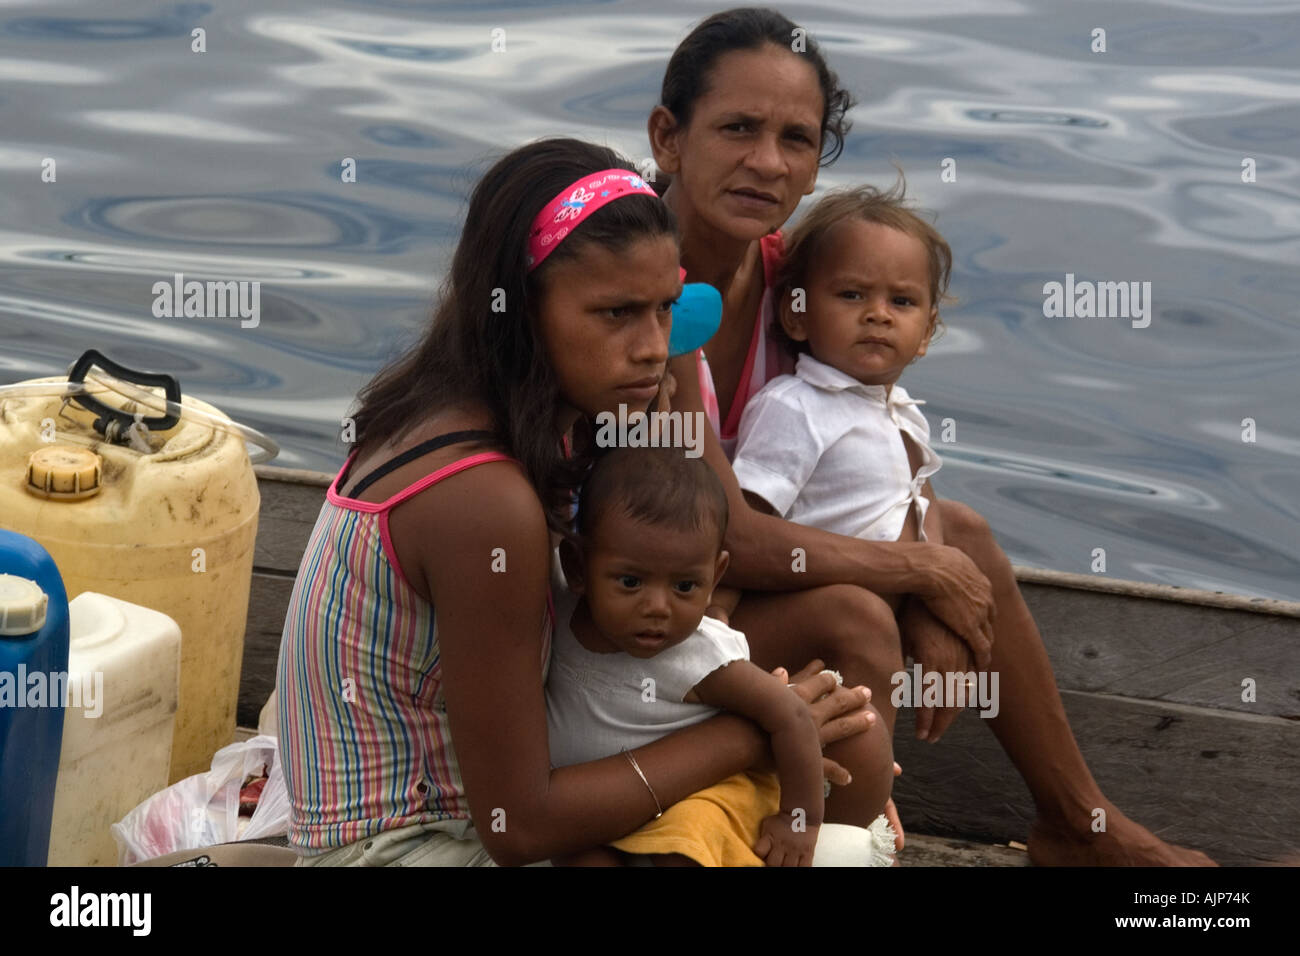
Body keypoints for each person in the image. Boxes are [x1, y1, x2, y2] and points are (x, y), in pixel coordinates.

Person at [650, 6, 1214, 864]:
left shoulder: (790, 282)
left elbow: (872, 475)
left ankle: (1076, 820)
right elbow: (727, 534)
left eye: (796, 139)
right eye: (737, 128)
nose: (767, 161)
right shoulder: (640, 289)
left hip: (730, 584)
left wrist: (937, 583)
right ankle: (848, 800)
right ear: (668, 137)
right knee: (874, 598)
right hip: (637, 603)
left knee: (969, 535)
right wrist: (917, 572)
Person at [274, 136, 879, 867]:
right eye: (616, 315)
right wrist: (754, 735)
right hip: (405, 846)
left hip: (478, 807)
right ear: (521, 312)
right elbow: (517, 826)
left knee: (848, 758)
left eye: (664, 310)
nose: (654, 348)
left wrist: (776, 720)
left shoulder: (485, 418)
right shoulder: (483, 501)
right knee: (846, 852)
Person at [546, 445, 898, 866]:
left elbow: (794, 716)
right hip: (602, 808)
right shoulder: (558, 616)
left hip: (695, 796)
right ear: (577, 568)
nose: (658, 607)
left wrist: (798, 820)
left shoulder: (700, 655)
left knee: (683, 851)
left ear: (716, 576)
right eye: (630, 581)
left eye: (685, 587)